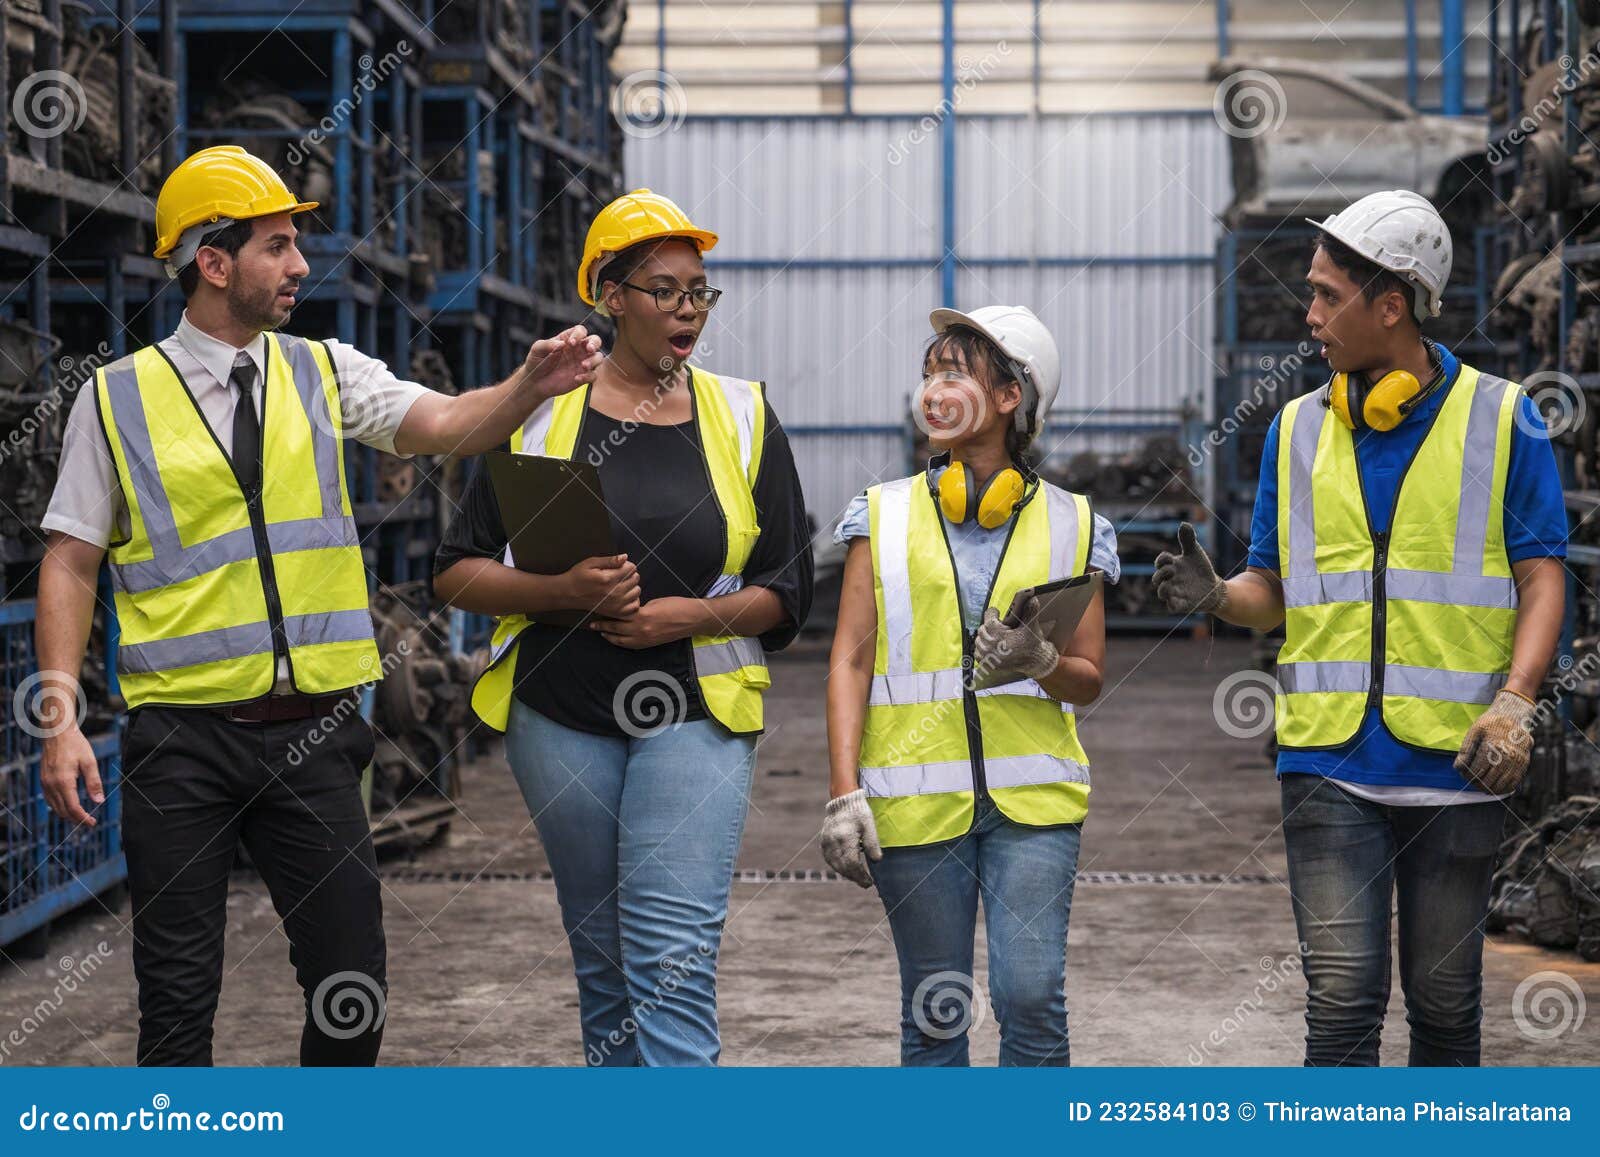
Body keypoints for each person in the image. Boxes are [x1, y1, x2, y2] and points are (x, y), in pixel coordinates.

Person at [34, 145, 602, 1066]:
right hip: (180, 741)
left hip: (314, 739)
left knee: (351, 992)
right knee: (175, 1005)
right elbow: (68, 559)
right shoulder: (115, 399)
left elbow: (451, 424)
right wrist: (60, 716)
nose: (301, 265)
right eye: (278, 245)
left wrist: (529, 384)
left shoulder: (323, 371)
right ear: (213, 263)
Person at [1152, 189, 1567, 1066]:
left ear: (1392, 306)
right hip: (1326, 762)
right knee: (1339, 1007)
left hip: (1458, 763)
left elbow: (1541, 576)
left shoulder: (1502, 419)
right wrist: (1221, 596)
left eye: (1326, 295)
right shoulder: (1298, 431)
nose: (1309, 316)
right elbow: (1274, 587)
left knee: (1447, 1009)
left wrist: (1516, 703)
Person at [433, 189, 813, 1067]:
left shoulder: (744, 416)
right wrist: (561, 591)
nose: (688, 310)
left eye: (699, 293)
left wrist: (689, 615)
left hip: (693, 711)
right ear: (611, 296)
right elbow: (456, 570)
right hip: (559, 715)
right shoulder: (535, 414)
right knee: (604, 971)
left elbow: (787, 589)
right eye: (665, 290)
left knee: (669, 963)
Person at [821, 305, 1121, 1066]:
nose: (933, 390)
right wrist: (842, 791)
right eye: (928, 374)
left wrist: (1042, 663)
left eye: (954, 373)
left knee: (1031, 997)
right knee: (935, 1011)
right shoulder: (881, 514)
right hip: (913, 803)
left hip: (1035, 805)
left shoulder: (1075, 522)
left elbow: (1087, 680)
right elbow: (850, 661)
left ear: (1012, 397)